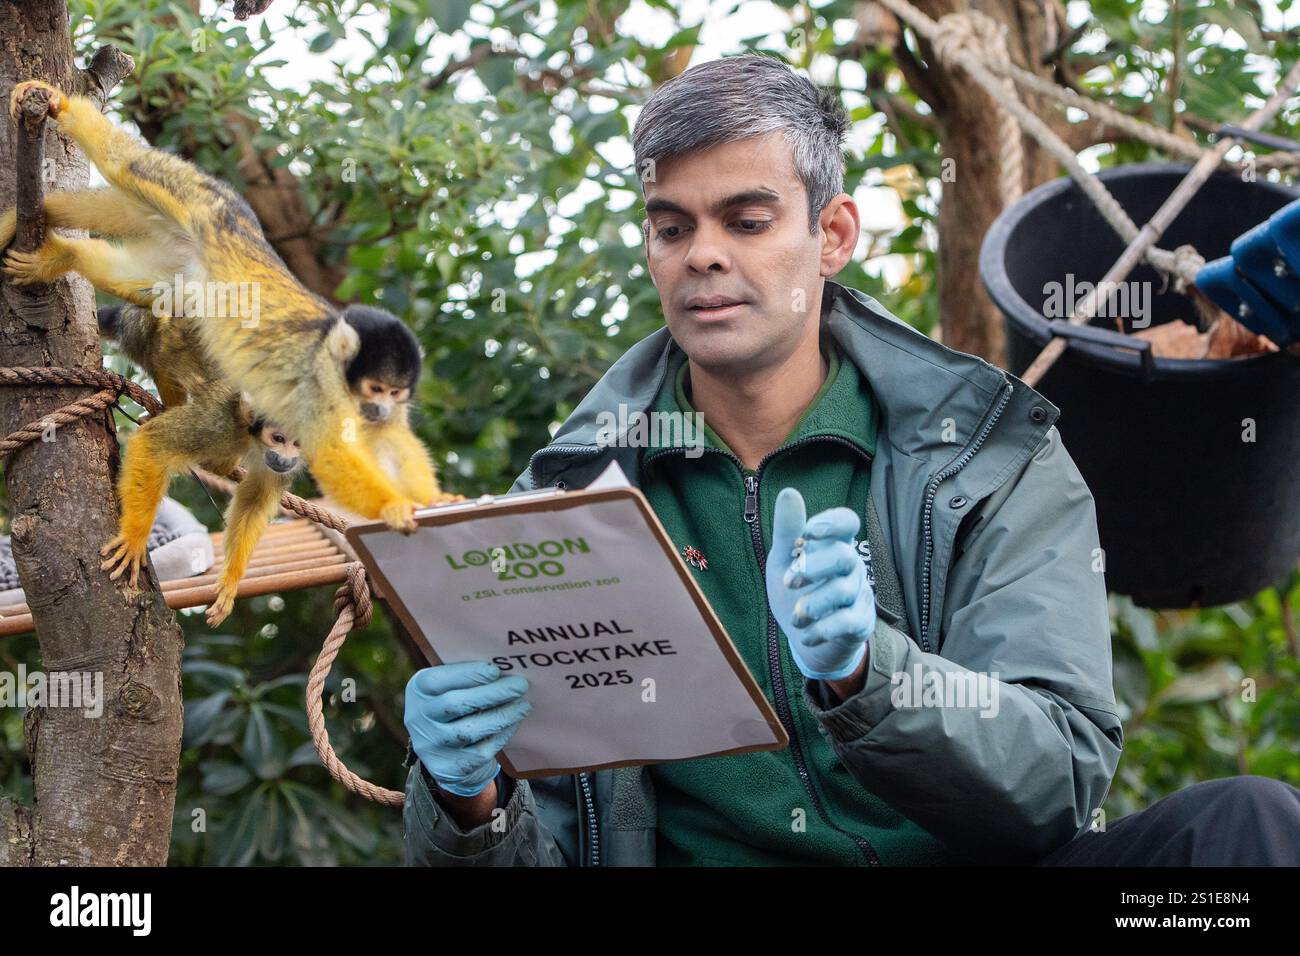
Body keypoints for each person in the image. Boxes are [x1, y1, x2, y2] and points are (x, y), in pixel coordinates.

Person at [401, 53, 1300, 866]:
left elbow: (1056, 782)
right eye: (670, 229)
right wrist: (465, 802)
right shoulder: (563, 503)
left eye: (747, 220)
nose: (703, 255)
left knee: (1243, 832)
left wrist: (870, 672)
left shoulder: (992, 456)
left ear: (832, 236)